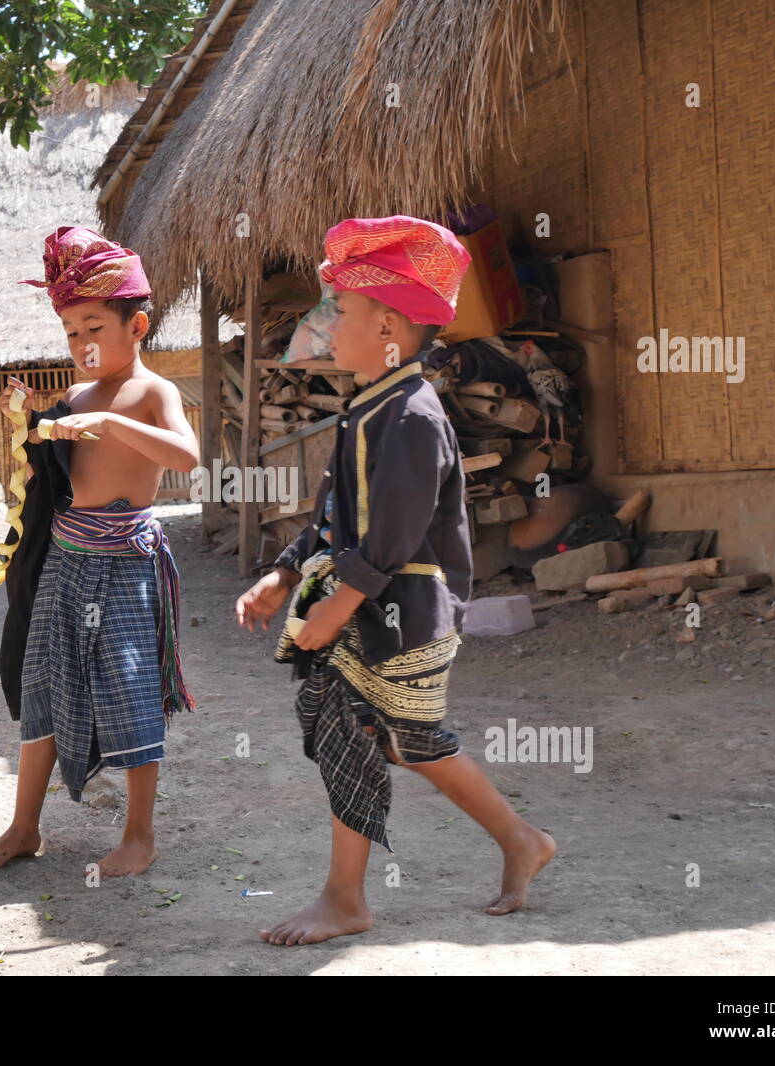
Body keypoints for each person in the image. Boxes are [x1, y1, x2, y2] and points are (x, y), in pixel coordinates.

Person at [235, 215, 556, 945]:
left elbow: (394, 534)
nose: (328, 326)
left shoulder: (411, 414)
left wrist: (338, 603)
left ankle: (346, 898)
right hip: (379, 611)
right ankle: (519, 841)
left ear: (388, 326)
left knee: (366, 735)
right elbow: (331, 516)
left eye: (341, 312)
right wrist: (283, 577)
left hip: (403, 615)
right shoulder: (368, 409)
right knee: (403, 741)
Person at [0, 225, 199, 879]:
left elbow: (187, 456)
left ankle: (139, 836)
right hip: (67, 563)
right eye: (71, 332)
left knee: (131, 692)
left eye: (94, 327)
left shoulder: (152, 395)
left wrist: (111, 422)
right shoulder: (71, 400)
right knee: (42, 688)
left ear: (138, 325)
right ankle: (24, 827)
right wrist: (29, 433)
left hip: (127, 564)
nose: (81, 344)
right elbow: (46, 486)